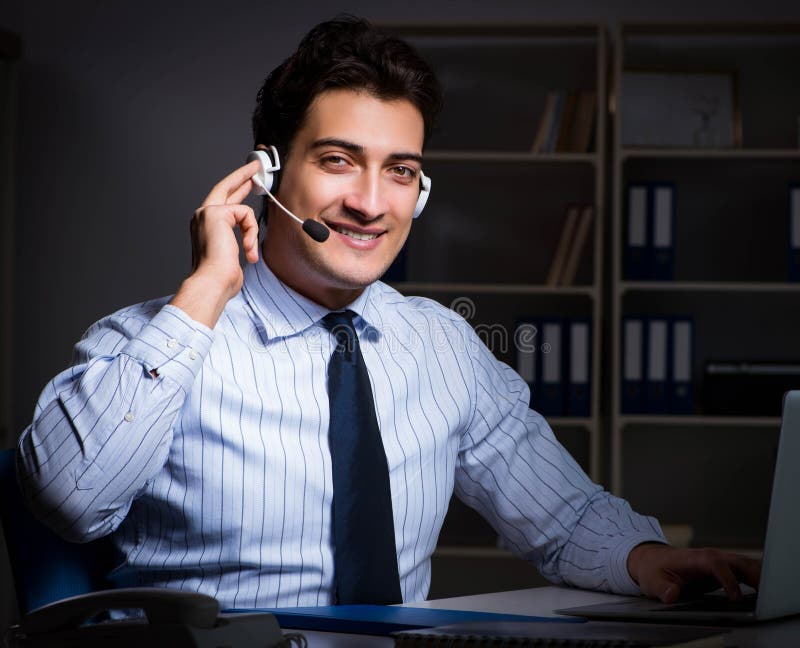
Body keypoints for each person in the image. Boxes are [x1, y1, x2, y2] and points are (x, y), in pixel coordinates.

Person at [16, 16, 759, 610]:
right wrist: (207, 289)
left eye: (400, 171)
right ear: (266, 173)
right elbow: (66, 501)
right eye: (338, 160)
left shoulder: (441, 345)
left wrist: (649, 558)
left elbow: (562, 518)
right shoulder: (153, 340)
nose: (372, 204)